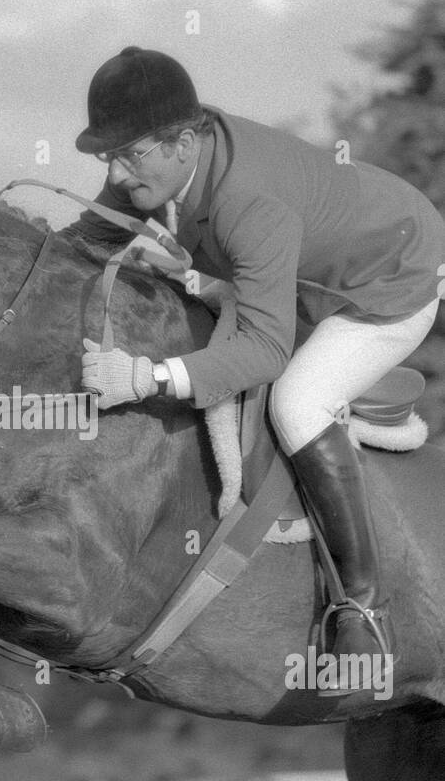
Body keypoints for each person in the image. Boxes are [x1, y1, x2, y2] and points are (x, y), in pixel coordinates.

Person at [78, 46, 445, 688]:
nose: (115, 172)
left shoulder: (250, 202)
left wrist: (147, 378)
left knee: (296, 402)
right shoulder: (162, 160)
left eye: (128, 155)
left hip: (393, 279)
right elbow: (89, 238)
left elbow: (266, 351)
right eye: (107, 155)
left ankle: (361, 610)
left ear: (185, 142)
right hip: (317, 258)